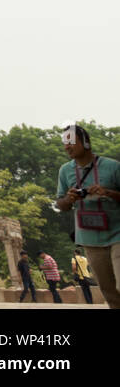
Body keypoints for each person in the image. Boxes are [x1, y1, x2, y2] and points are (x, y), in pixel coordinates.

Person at [55, 123, 120, 309]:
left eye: (72, 142)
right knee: (108, 291)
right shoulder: (65, 171)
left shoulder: (113, 167)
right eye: (64, 143)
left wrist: (107, 192)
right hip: (90, 238)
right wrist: (69, 198)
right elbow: (60, 204)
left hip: (117, 233)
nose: (67, 146)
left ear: (86, 142)